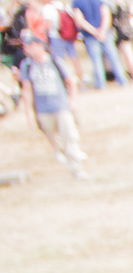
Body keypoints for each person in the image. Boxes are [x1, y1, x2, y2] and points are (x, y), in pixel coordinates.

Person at [19, 35, 86, 177]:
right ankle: (59, 151)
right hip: (43, 109)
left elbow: (70, 82)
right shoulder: (27, 65)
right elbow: (27, 89)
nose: (26, 50)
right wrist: (29, 113)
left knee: (69, 137)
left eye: (29, 46)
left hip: (61, 106)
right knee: (52, 136)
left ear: (38, 46)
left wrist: (72, 101)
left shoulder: (55, 61)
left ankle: (76, 169)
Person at [69, 0, 126, 89]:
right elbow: (106, 14)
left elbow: (79, 20)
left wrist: (95, 32)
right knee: (113, 57)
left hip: (91, 35)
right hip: (105, 32)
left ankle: (100, 83)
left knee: (96, 60)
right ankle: (122, 79)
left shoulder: (77, 1)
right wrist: (103, 30)